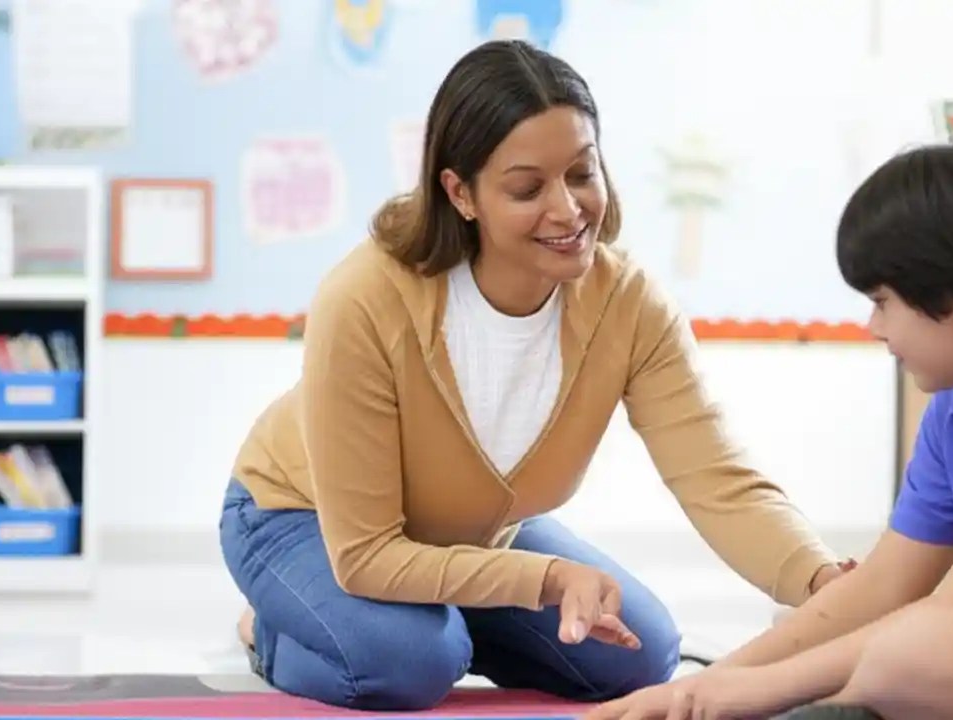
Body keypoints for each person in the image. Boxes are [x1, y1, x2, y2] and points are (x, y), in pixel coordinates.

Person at [218, 39, 847, 712]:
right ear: (460, 192)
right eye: (528, 188)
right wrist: (542, 580)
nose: (569, 210)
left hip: (470, 537)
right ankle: (278, 629)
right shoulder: (365, 297)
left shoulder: (629, 304)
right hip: (301, 519)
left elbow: (718, 480)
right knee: (410, 661)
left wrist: (820, 581)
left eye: (583, 173)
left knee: (640, 656)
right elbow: (368, 554)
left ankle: (446, 622)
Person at [585, 133, 953, 720]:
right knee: (819, 631)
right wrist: (698, 689)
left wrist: (749, 693)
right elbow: (882, 588)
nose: (873, 325)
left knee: (910, 654)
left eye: (883, 300)